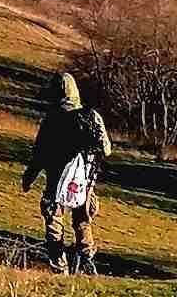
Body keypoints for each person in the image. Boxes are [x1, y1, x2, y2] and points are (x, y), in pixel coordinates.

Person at [22, 72, 111, 276]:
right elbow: (106, 149)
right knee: (82, 222)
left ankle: (59, 266)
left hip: (55, 182)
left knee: (54, 223)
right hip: (84, 183)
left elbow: (39, 154)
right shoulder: (91, 116)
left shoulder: (52, 119)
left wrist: (29, 178)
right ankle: (87, 260)